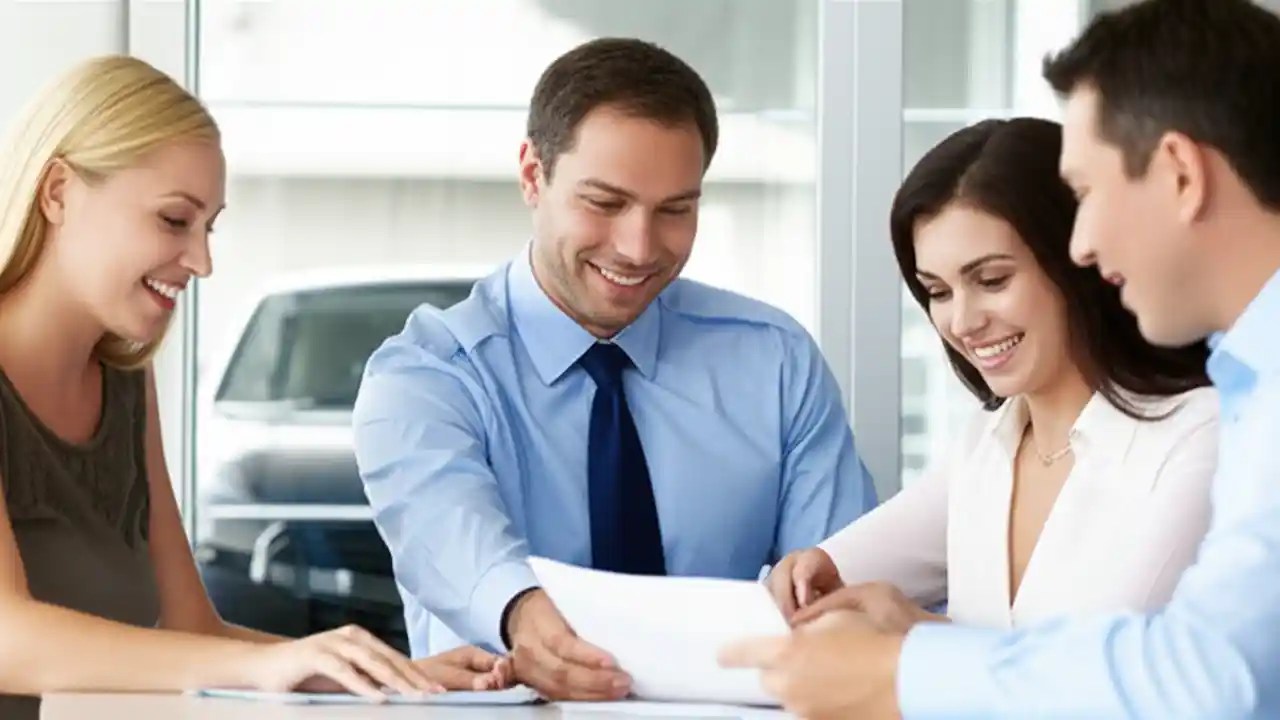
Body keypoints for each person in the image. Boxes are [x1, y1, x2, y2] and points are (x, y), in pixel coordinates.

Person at [721, 0, 1280, 717]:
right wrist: (909, 638)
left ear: (1179, 172)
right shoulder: (1243, 389)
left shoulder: (1222, 423)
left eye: (1084, 193)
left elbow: (1209, 677)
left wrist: (903, 669)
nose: (1083, 245)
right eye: (936, 290)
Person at [352, 37, 877, 701]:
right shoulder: (426, 376)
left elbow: (843, 590)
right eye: (604, 203)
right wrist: (525, 617)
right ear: (532, 175)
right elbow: (454, 543)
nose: (637, 247)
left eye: (675, 211)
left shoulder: (774, 361)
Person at [0, 55, 510, 720]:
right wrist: (269, 665)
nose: (202, 261)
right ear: (59, 191)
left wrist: (386, 677)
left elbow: (191, 631)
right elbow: (9, 638)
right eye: (174, 219)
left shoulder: (125, 380)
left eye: (208, 227)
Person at [764, 118, 1217, 636]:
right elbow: (822, 577)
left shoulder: (1197, 437)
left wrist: (921, 635)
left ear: (1077, 263)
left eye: (992, 280)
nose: (963, 321)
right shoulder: (988, 444)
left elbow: (1100, 672)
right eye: (938, 291)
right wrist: (800, 575)